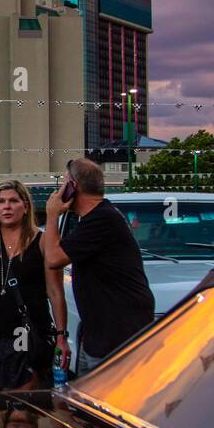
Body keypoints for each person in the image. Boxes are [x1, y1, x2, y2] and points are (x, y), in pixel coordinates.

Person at [43, 159, 154, 374]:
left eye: (64, 183)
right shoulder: (99, 218)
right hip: (101, 333)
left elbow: (54, 258)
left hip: (116, 336)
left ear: (73, 187)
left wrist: (51, 215)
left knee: (106, 400)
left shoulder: (102, 219)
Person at [0, 180, 69, 391]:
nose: (6, 206)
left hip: (28, 336)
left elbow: (55, 292)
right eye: (1, 202)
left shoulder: (43, 241)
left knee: (23, 416)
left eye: (13, 201)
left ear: (25, 206)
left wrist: (61, 337)